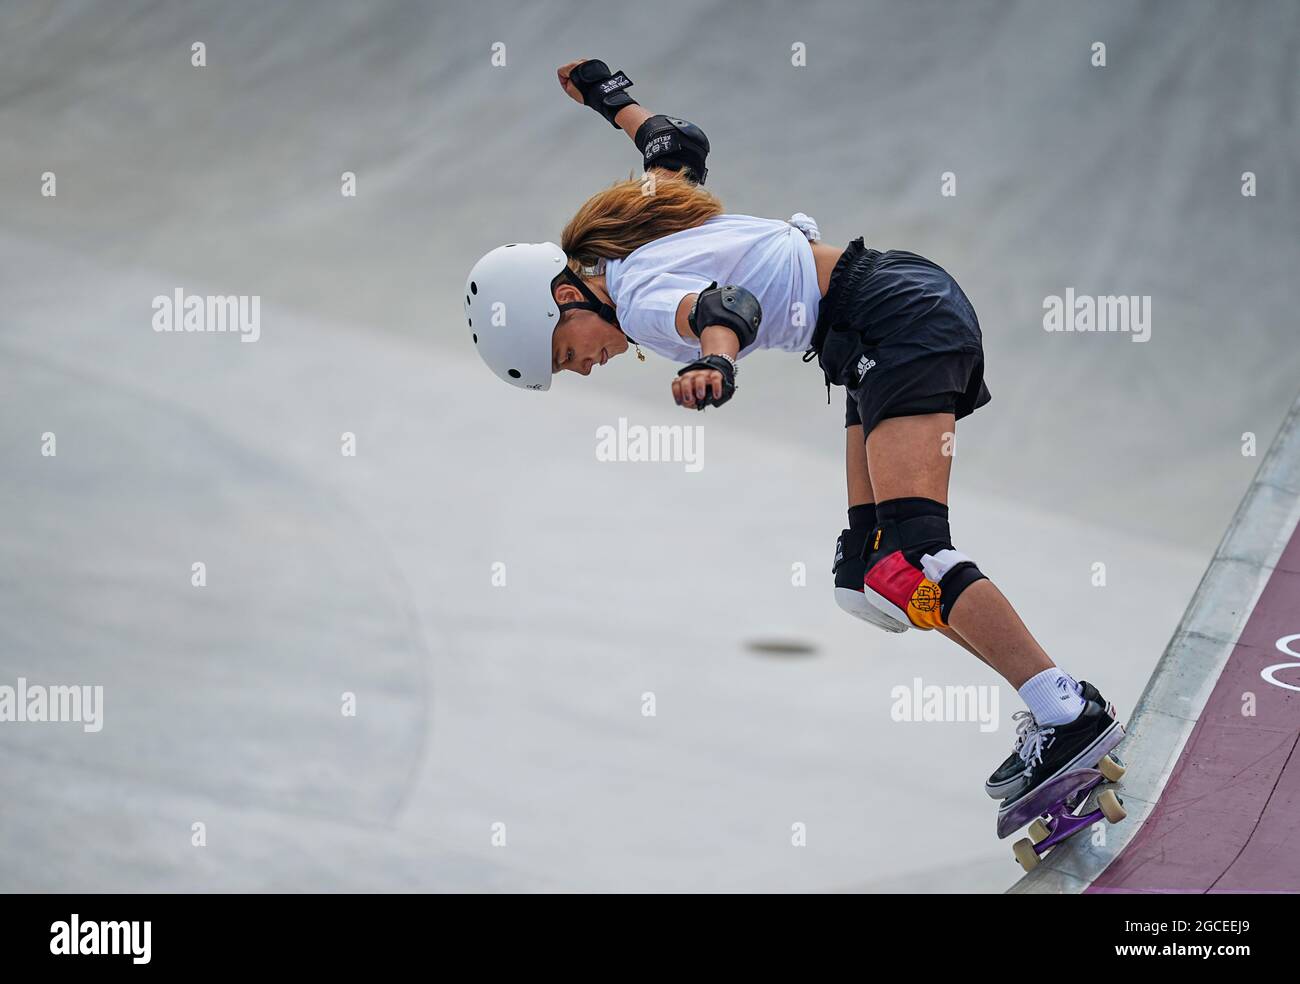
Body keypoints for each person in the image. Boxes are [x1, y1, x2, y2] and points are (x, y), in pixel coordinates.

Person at [462, 60, 1124, 815]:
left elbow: (728, 304)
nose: (580, 368)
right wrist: (611, 99)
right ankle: (1054, 701)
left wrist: (713, 357)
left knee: (913, 548)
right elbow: (674, 145)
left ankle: (1067, 711)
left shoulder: (641, 299)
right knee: (869, 574)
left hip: (896, 321)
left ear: (562, 295)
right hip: (870, 326)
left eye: (561, 352)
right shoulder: (631, 241)